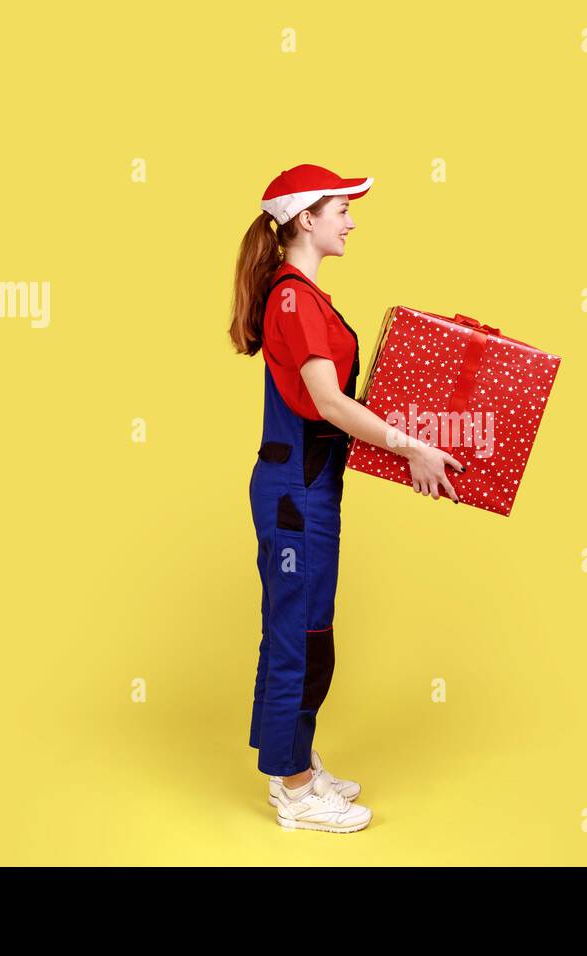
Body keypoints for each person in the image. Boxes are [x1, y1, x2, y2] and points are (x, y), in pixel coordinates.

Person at [229, 164, 465, 832]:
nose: (351, 221)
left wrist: (423, 431)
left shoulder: (304, 295)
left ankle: (293, 759)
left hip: (308, 490)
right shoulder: (294, 300)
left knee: (307, 631)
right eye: (341, 209)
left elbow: (332, 405)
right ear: (306, 218)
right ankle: (294, 791)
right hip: (293, 495)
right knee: (297, 639)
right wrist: (410, 446)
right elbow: (329, 403)